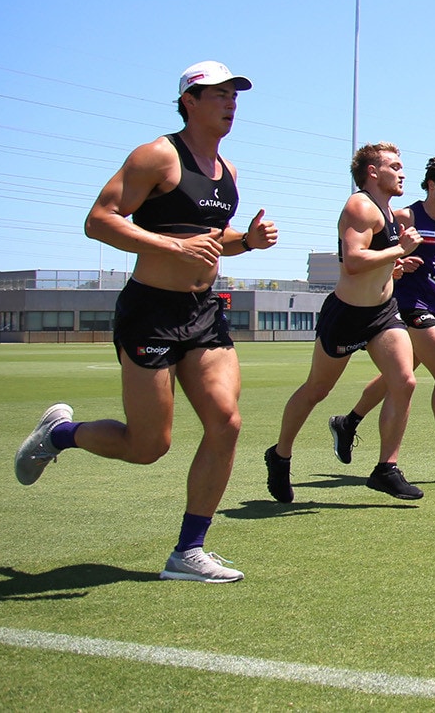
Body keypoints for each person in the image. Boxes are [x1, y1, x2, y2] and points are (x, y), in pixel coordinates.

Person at [15, 61, 277, 583]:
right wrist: (170, 245)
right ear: (188, 101)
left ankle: (188, 550)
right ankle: (60, 434)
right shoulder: (157, 155)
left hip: (204, 314)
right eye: (218, 94)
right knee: (148, 446)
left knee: (226, 421)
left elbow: (208, 240)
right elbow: (99, 219)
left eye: (234, 95)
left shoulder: (230, 172)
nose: (230, 103)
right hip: (150, 313)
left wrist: (245, 242)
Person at [267, 143, 424, 503]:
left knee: (405, 381)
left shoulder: (387, 210)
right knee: (316, 391)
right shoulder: (360, 206)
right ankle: (280, 455)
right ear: (372, 171)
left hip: (383, 313)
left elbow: (373, 260)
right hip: (347, 315)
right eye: (395, 166)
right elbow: (352, 260)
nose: (402, 173)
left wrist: (395, 268)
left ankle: (387, 469)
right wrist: (401, 251)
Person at [330, 155, 435, 480]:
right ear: (430, 185)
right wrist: (396, 265)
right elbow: (370, 252)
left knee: (396, 379)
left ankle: (348, 423)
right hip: (408, 306)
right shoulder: (405, 215)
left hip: (434, 306)